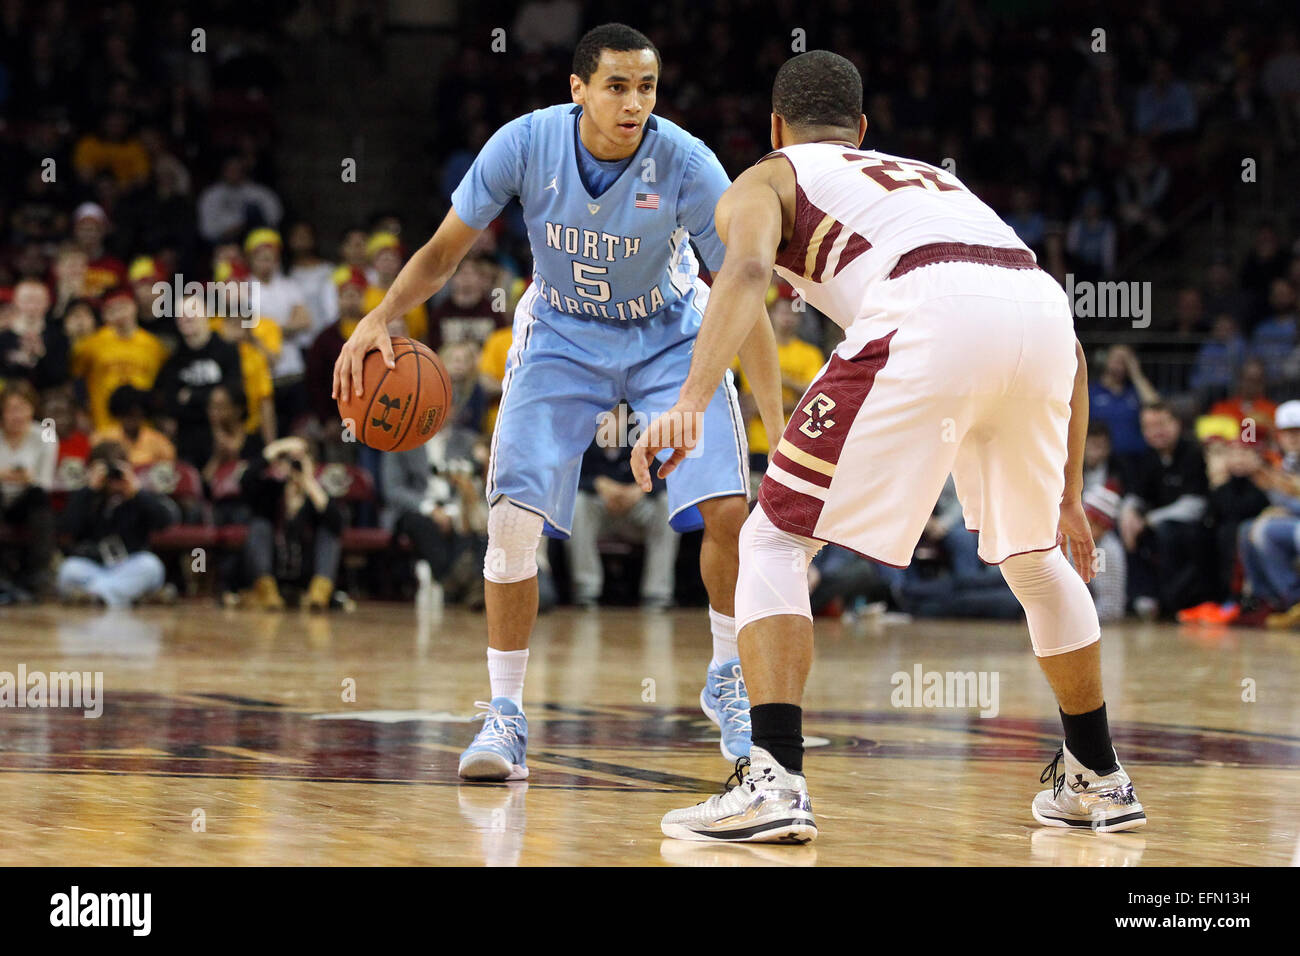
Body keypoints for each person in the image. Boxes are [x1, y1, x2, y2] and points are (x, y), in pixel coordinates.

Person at [636, 51, 1146, 843]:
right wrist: (1070, 494)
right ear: (864, 130)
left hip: (928, 310)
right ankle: (1099, 775)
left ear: (775, 128)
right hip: (1041, 316)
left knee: (773, 537)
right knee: (1035, 557)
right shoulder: (931, 181)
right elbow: (1067, 348)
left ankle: (773, 777)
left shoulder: (766, 178)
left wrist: (690, 402)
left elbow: (741, 274)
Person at [335, 23, 783, 781]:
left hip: (670, 335)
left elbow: (746, 291)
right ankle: (505, 716)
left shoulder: (689, 163)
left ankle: (726, 676)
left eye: (646, 86)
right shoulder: (523, 144)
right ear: (578, 89)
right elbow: (446, 251)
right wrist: (381, 316)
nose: (634, 101)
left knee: (730, 511)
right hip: (560, 337)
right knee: (510, 525)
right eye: (616, 85)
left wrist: (777, 419)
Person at [567, 409, 678, 609]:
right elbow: (567, 477)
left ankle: (657, 593)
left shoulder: (643, 434)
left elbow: (666, 475)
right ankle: (586, 589)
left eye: (617, 417)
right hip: (599, 512)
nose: (610, 422)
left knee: (665, 504)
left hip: (637, 512)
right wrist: (597, 484)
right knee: (578, 504)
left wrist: (641, 490)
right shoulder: (581, 435)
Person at [234, 436, 345, 611]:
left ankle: (319, 594)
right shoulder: (271, 493)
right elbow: (245, 482)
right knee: (259, 525)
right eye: (290, 460)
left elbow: (337, 525)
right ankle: (267, 590)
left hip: (307, 578)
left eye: (302, 459)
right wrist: (275, 449)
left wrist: (308, 482)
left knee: (328, 531)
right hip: (275, 574)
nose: (295, 465)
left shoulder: (317, 498)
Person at [57, 440, 173, 608]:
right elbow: (67, 528)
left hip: (130, 564)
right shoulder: (85, 497)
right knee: (68, 570)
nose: (112, 478)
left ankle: (95, 596)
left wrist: (136, 493)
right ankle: (129, 595)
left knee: (151, 566)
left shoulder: (138, 496)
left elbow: (164, 522)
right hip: (93, 566)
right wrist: (89, 490)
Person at [70, 286, 168, 431]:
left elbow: (163, 387)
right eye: (112, 308)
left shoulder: (154, 346)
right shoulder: (91, 345)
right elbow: (74, 379)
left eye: (123, 306)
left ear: (134, 306)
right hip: (104, 427)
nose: (119, 313)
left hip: (144, 429)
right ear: (104, 314)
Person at [0, 382, 56, 599]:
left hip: (27, 500)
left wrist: (26, 477)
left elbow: (45, 482)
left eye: (23, 408)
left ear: (33, 409)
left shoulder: (46, 434)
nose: (17, 415)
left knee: (39, 498)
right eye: (11, 408)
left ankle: (39, 574)